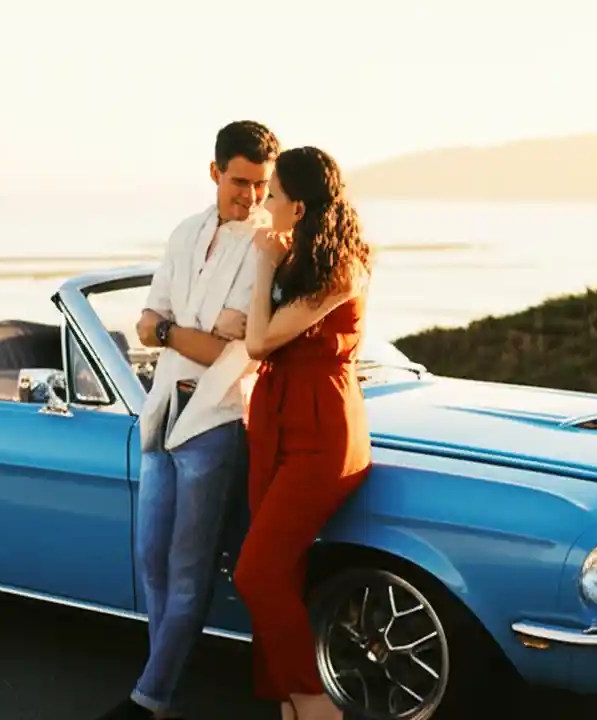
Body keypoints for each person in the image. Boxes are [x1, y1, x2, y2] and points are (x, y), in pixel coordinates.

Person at [97, 120, 279, 720]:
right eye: (240, 182)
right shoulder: (184, 233)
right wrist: (178, 331)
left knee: (187, 569)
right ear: (215, 172)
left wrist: (173, 332)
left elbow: (228, 348)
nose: (250, 197)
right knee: (150, 556)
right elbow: (148, 319)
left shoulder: (265, 250)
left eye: (260, 185)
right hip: (162, 411)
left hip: (218, 416)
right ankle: (164, 686)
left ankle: (148, 699)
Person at [233, 146, 373, 720]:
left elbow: (259, 340)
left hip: (321, 430)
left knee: (255, 572)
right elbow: (257, 329)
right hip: (274, 417)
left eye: (273, 196)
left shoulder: (343, 267)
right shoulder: (303, 259)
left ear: (299, 205)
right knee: (280, 572)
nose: (264, 205)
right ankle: (289, 708)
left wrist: (263, 267)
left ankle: (317, 705)